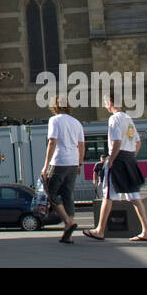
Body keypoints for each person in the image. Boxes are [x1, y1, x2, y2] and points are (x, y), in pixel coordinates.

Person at [83, 95, 147, 242]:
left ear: (110, 103)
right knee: (135, 197)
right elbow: (138, 142)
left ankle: (99, 230)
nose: (105, 106)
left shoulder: (114, 119)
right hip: (129, 158)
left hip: (118, 159)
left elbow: (116, 141)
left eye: (105, 103)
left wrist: (111, 161)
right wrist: (131, 156)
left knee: (108, 195)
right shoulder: (128, 118)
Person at [40, 95, 86, 243]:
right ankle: (68, 235)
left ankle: (68, 222)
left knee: (50, 193)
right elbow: (82, 146)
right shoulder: (76, 122)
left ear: (54, 106)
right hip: (73, 163)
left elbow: (52, 143)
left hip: (59, 162)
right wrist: (79, 164)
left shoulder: (54, 120)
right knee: (68, 196)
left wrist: (46, 165)